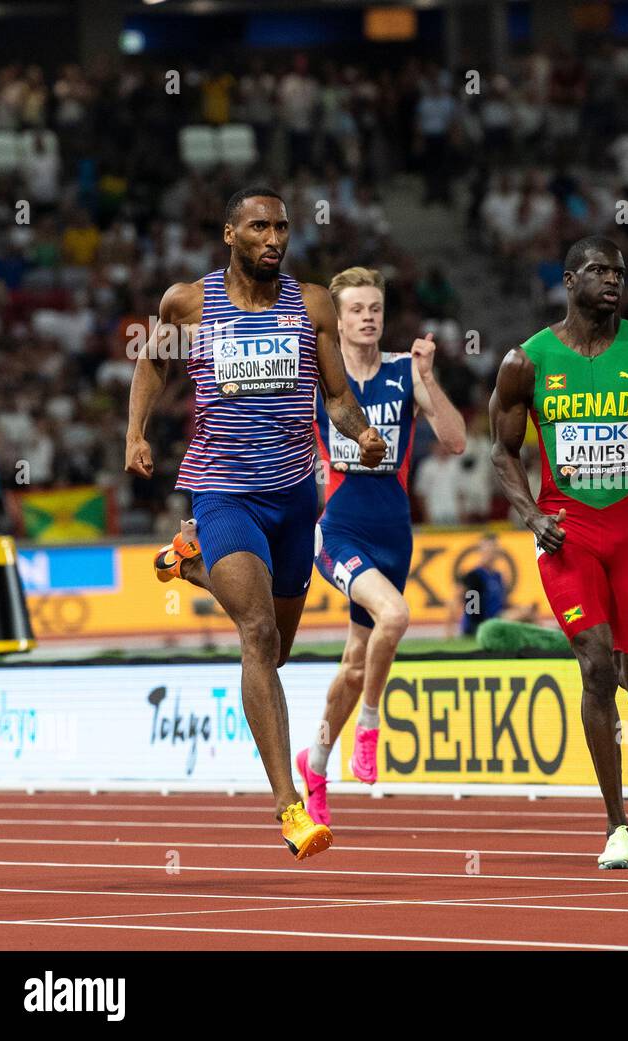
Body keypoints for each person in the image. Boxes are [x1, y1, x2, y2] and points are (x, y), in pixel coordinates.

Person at [126, 187, 386, 859]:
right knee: (257, 631)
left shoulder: (313, 304)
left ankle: (188, 565)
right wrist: (136, 436)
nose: (274, 238)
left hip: (295, 497)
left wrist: (362, 433)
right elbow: (152, 365)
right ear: (230, 235)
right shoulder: (189, 302)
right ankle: (288, 807)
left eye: (282, 228)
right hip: (222, 492)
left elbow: (336, 393)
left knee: (276, 649)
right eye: (260, 227)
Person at [489, 235, 628, 869]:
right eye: (597, 271)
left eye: (618, 271)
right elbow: (501, 451)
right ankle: (618, 824)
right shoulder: (526, 362)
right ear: (568, 281)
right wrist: (533, 515)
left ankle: (588, 638)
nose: (612, 280)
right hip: (566, 534)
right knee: (596, 666)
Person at [293, 267, 465, 824]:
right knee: (395, 616)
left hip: (395, 536)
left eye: (376, 309)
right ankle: (369, 726)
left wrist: (428, 378)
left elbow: (457, 441)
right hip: (340, 528)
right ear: (337, 320)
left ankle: (316, 763)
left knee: (351, 664)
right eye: (357, 310)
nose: (368, 318)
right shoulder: (321, 378)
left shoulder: (403, 372)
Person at [454, 531, 537, 635]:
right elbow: (456, 601)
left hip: (497, 618)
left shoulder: (498, 576)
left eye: (493, 549)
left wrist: (521, 607)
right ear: (480, 551)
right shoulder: (473, 576)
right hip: (482, 624)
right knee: (525, 615)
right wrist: (449, 632)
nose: (490, 553)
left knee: (529, 612)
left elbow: (504, 603)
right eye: (488, 549)